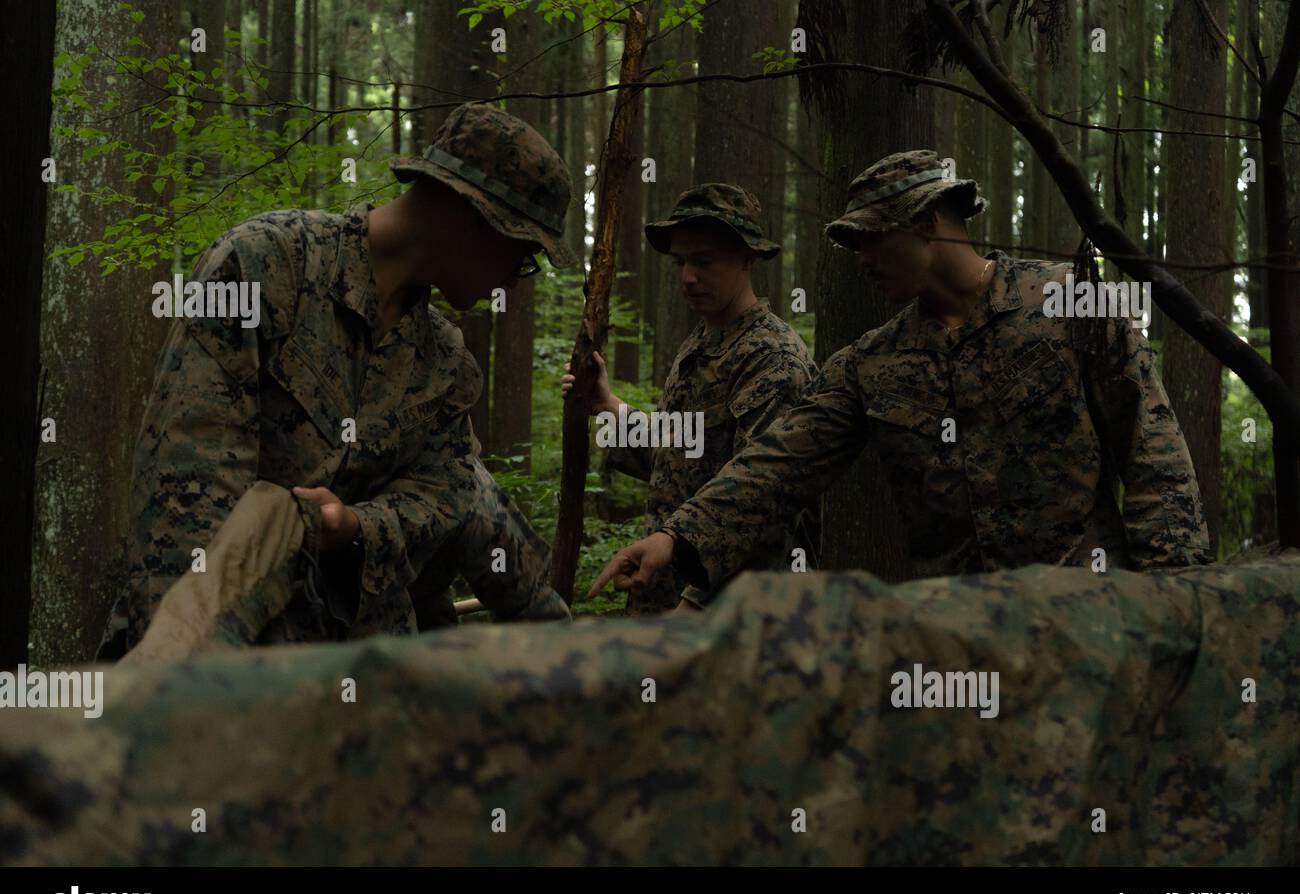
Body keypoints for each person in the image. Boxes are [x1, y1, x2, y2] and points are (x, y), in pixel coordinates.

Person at [590, 149, 1210, 603]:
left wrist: (1177, 600)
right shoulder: (871, 364)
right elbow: (775, 465)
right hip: (956, 638)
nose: (861, 262)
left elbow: (1153, 454)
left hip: (1091, 616)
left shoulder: (1070, 303)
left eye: (870, 240)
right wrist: (678, 536)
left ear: (926, 222)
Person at [101, 103, 574, 657]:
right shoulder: (264, 267)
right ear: (475, 219)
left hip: (358, 679)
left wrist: (354, 527)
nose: (514, 282)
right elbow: (183, 502)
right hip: (218, 662)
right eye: (520, 257)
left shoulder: (446, 360)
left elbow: (445, 500)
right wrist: (189, 688)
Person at [562, 184, 817, 613]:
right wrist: (611, 409)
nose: (687, 277)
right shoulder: (701, 343)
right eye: (679, 262)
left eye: (703, 262)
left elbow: (763, 500)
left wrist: (697, 604)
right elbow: (681, 455)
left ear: (746, 259)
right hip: (664, 595)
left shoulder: (773, 359)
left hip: (728, 615)